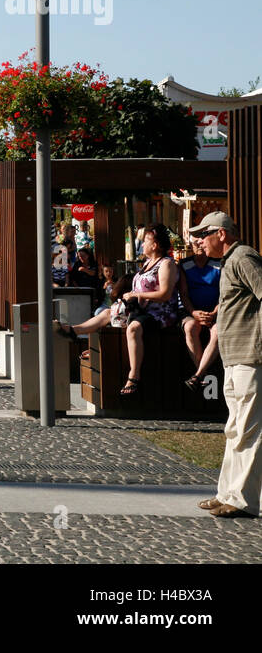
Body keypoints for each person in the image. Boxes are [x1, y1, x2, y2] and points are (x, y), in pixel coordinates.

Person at [189, 212, 262, 517]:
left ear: (221, 234)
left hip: (250, 355)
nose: (198, 241)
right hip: (234, 358)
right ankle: (227, 493)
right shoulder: (229, 261)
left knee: (247, 430)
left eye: (204, 234)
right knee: (234, 430)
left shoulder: (243, 256)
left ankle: (242, 499)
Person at [114, 224, 180, 396]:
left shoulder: (166, 264)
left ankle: (133, 376)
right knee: (108, 314)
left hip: (160, 313)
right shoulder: (147, 263)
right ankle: (76, 333)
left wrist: (138, 295)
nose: (142, 244)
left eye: (145, 241)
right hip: (142, 311)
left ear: (155, 245)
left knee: (134, 328)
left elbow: (165, 294)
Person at [180, 234, 222, 391]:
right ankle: (202, 374)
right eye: (194, 243)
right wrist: (194, 312)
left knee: (218, 331)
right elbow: (183, 294)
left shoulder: (219, 264)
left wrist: (214, 313)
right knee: (190, 327)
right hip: (192, 311)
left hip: (216, 311)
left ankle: (198, 375)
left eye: (201, 243)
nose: (198, 246)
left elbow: (224, 293)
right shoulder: (184, 264)